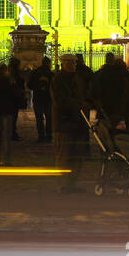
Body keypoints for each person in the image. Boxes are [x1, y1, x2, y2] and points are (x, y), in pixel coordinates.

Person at [51, 53, 88, 193]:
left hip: (77, 122)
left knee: (76, 155)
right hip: (63, 123)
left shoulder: (77, 78)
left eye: (74, 63)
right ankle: (63, 184)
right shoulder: (58, 80)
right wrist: (80, 104)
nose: (73, 65)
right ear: (63, 64)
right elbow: (60, 101)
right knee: (64, 155)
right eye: (70, 63)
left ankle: (73, 183)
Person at [0, 62, 23, 165]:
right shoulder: (8, 82)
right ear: (5, 72)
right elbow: (15, 94)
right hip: (7, 110)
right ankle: (7, 160)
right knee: (7, 136)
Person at [28, 56, 54, 142]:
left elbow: (29, 85)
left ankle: (41, 136)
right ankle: (49, 136)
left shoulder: (35, 72)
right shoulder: (51, 74)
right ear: (48, 64)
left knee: (39, 118)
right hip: (48, 98)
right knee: (49, 118)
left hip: (38, 98)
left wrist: (37, 87)